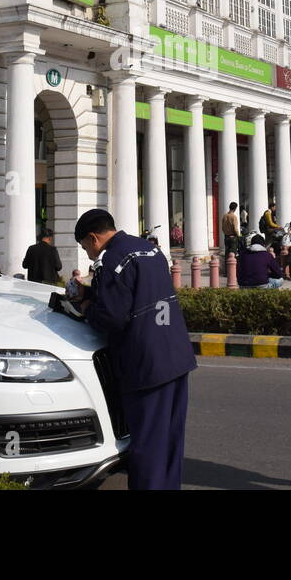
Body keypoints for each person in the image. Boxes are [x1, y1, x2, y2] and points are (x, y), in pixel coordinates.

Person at [73, 208, 196, 490]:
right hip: (176, 357)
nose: (89, 255)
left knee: (148, 444)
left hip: (146, 365)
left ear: (93, 238)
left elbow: (112, 318)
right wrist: (92, 292)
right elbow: (139, 294)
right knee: (169, 440)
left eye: (85, 248)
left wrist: (85, 306)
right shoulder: (148, 249)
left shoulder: (111, 259)